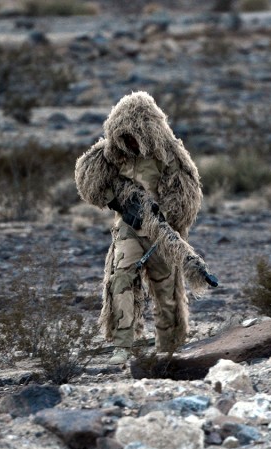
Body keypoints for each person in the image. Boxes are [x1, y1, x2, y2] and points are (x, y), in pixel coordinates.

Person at [74, 92, 213, 364]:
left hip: (162, 232)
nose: (129, 143)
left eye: (133, 137)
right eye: (123, 138)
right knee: (120, 278)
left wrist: (166, 217)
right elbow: (92, 183)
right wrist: (120, 203)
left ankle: (169, 350)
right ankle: (122, 345)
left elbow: (186, 193)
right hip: (128, 228)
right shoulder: (112, 154)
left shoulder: (168, 153)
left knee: (167, 291)